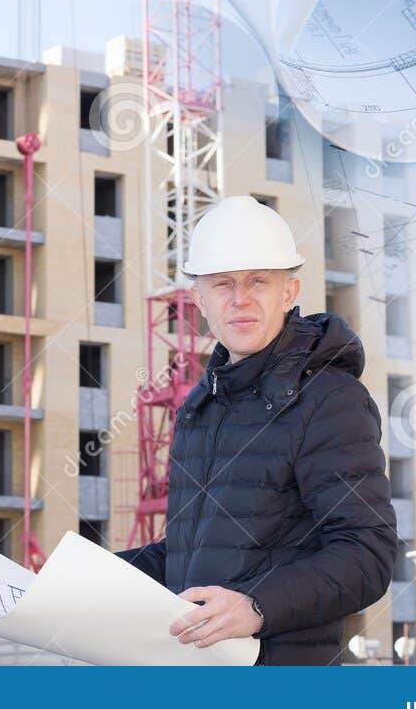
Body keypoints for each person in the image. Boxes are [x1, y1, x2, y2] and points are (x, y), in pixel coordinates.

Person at [116, 195, 398, 665]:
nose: (241, 299)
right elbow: (190, 555)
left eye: (259, 282)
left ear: (289, 292)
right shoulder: (200, 409)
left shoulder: (328, 399)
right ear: (199, 299)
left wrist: (256, 608)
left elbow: (367, 555)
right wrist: (83, 579)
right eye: (223, 284)